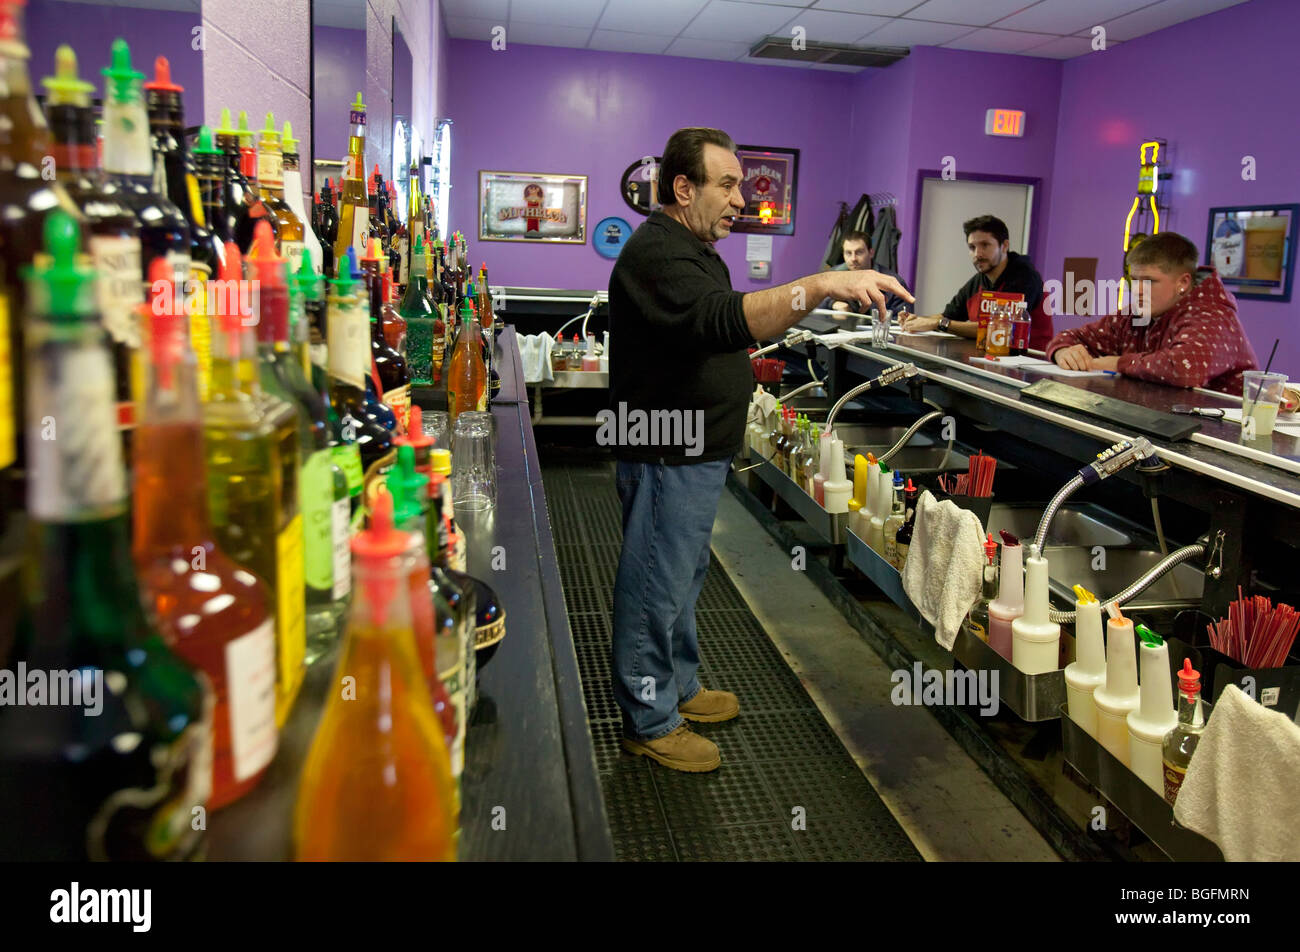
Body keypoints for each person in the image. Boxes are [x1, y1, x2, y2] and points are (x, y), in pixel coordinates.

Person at [607, 127, 911, 773]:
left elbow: (722, 321)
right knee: (656, 580)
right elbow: (728, 320)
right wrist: (821, 284)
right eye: (726, 185)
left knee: (682, 575)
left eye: (740, 185)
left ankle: (678, 686)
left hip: (695, 446)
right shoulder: (657, 252)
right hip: (666, 445)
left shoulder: (694, 250)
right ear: (683, 188)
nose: (741, 199)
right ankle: (648, 720)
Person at [1046, 232, 1258, 394]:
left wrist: (1117, 363)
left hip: (1224, 433)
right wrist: (1063, 352)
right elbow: (1072, 337)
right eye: (1134, 280)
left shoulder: (1212, 316)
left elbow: (1183, 368)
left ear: (1183, 283)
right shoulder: (1135, 315)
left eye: (1149, 281)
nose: (1138, 290)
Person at [900, 214, 1053, 351]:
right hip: (991, 357)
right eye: (972, 247)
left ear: (1004, 246)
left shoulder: (1025, 277)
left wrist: (939, 324)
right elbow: (949, 315)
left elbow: (998, 329)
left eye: (985, 245)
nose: (977, 254)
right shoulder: (980, 279)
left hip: (1028, 362)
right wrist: (917, 320)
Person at [819, 229, 909, 315]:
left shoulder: (894, 282)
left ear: (871, 253)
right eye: (848, 253)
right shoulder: (832, 276)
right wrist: (833, 303)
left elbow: (903, 321)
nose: (853, 259)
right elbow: (815, 302)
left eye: (859, 252)